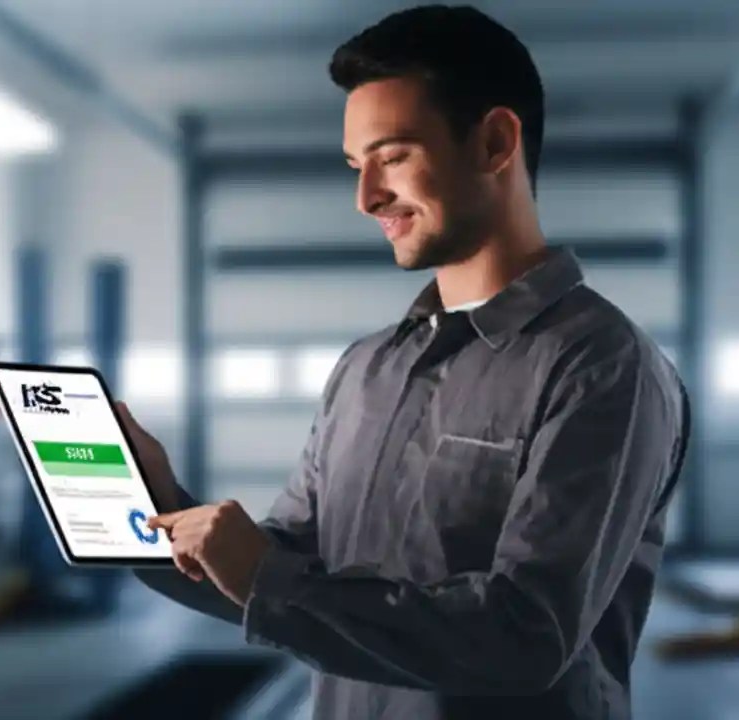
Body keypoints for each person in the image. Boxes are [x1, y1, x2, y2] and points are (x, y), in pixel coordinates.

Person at [123, 5, 689, 718]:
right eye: (358, 167)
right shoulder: (366, 370)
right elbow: (280, 569)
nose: (366, 199)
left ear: (493, 141)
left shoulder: (600, 365)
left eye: (392, 157)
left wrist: (271, 578)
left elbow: (527, 633)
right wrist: (154, 510)